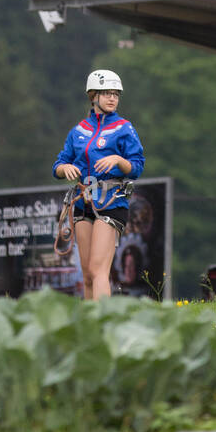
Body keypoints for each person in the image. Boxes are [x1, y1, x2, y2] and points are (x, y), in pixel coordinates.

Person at [53, 68, 145, 299]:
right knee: (86, 273)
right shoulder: (78, 131)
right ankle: (89, 327)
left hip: (111, 201)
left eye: (116, 94)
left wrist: (118, 160)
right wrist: (65, 169)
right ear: (93, 96)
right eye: (107, 93)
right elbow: (58, 164)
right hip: (82, 202)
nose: (112, 98)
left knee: (98, 269)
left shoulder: (124, 128)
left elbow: (137, 166)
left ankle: (103, 322)